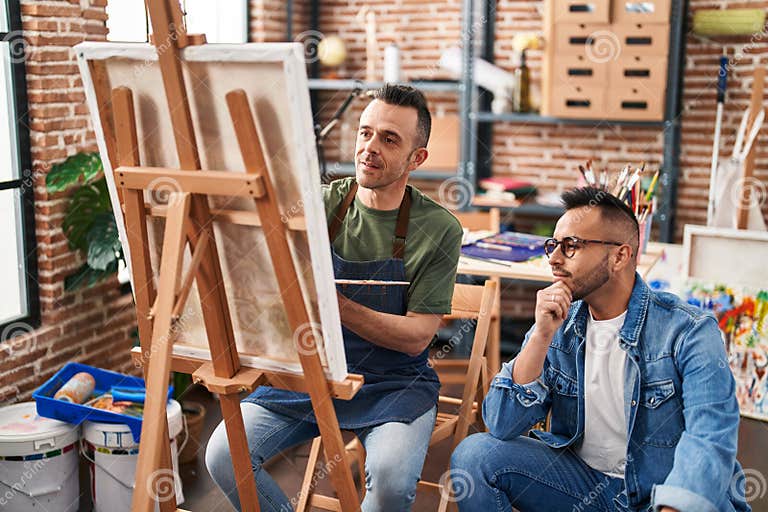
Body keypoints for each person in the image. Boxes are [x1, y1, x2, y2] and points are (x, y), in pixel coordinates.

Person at [205, 84, 463, 511]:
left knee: (394, 484)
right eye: (365, 133)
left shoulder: (438, 229)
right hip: (312, 373)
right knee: (222, 456)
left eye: (389, 139)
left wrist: (333, 304)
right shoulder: (318, 205)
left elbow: (417, 336)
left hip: (392, 384)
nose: (370, 148)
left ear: (417, 159)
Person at [450, 187, 750, 512]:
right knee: (475, 456)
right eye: (553, 245)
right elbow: (502, 424)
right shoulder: (559, 323)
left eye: (571, 246)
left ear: (620, 256)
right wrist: (541, 336)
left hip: (662, 495)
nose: (553, 258)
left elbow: (710, 438)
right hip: (585, 487)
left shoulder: (689, 330)